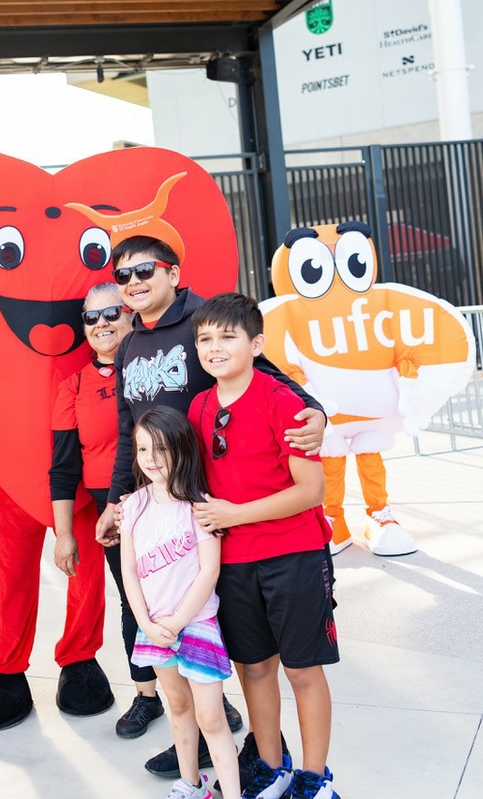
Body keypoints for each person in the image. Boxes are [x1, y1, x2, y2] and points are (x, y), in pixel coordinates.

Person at [96, 234, 327, 781]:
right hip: (158, 509)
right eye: (122, 275)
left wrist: (316, 413)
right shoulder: (129, 344)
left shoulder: (207, 319)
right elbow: (128, 431)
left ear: (173, 272)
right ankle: (206, 739)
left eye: (144, 271)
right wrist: (115, 501)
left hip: (215, 512)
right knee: (167, 615)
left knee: (212, 623)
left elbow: (268, 375)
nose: (134, 283)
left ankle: (244, 747)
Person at [189, 293, 340, 799]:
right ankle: (273, 767)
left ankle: (314, 779)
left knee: (301, 668)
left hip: (293, 555)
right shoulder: (200, 407)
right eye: (205, 339)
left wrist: (235, 515)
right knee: (253, 666)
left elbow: (310, 491)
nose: (214, 348)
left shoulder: (284, 402)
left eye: (227, 337)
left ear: (256, 345)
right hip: (233, 564)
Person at [49, 283, 167, 737]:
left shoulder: (157, 368)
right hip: (115, 514)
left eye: (111, 313)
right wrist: (64, 534)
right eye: (90, 317)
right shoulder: (73, 387)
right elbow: (62, 469)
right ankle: (147, 696)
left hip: (170, 501)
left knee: (190, 600)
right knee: (134, 604)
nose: (101, 324)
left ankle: (206, 691)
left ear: (130, 315)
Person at [119, 405, 238, 799]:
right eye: (142, 450)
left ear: (182, 449)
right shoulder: (133, 507)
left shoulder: (199, 505)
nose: (151, 460)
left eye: (161, 449)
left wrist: (177, 622)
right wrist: (148, 624)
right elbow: (130, 572)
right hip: (153, 627)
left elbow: (209, 572)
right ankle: (192, 783)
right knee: (178, 706)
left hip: (196, 625)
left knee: (211, 717)